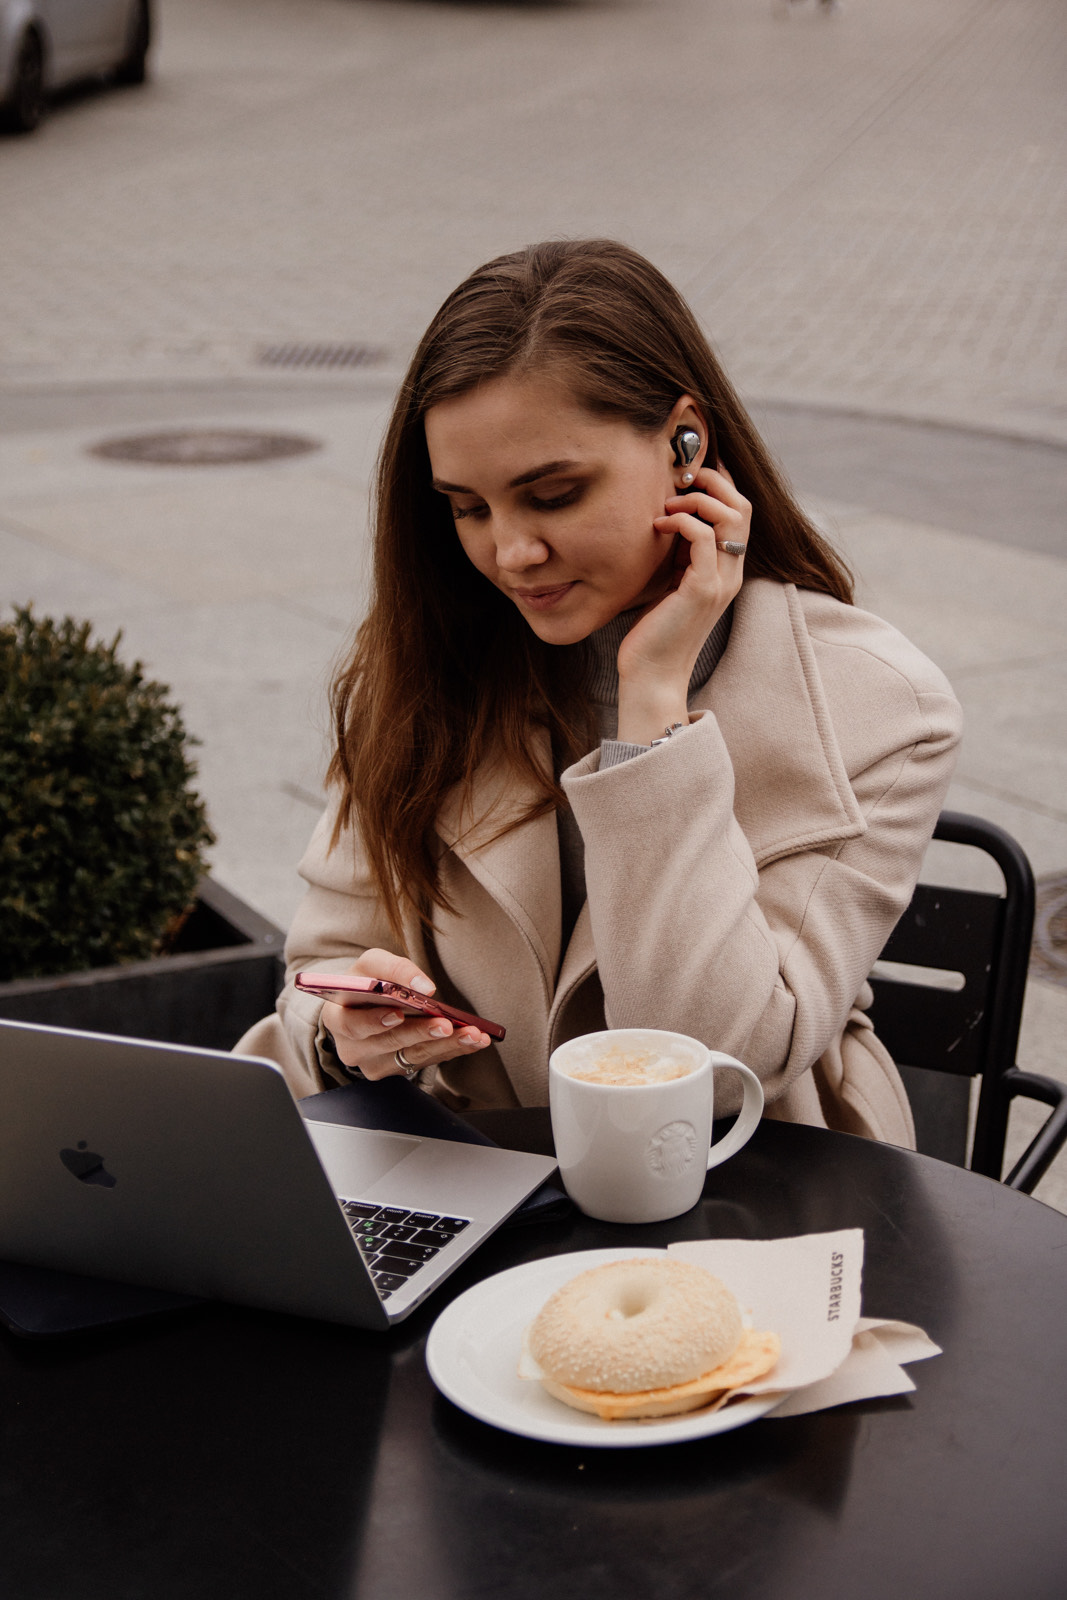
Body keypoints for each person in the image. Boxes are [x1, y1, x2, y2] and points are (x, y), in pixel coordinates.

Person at [237, 239, 961, 1147]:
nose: (510, 553)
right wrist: (350, 1037)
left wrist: (654, 702)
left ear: (683, 442)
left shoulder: (879, 705)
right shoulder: (431, 662)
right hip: (470, 1181)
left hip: (749, 1194)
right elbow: (319, 972)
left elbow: (708, 1064)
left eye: (553, 494)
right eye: (468, 508)